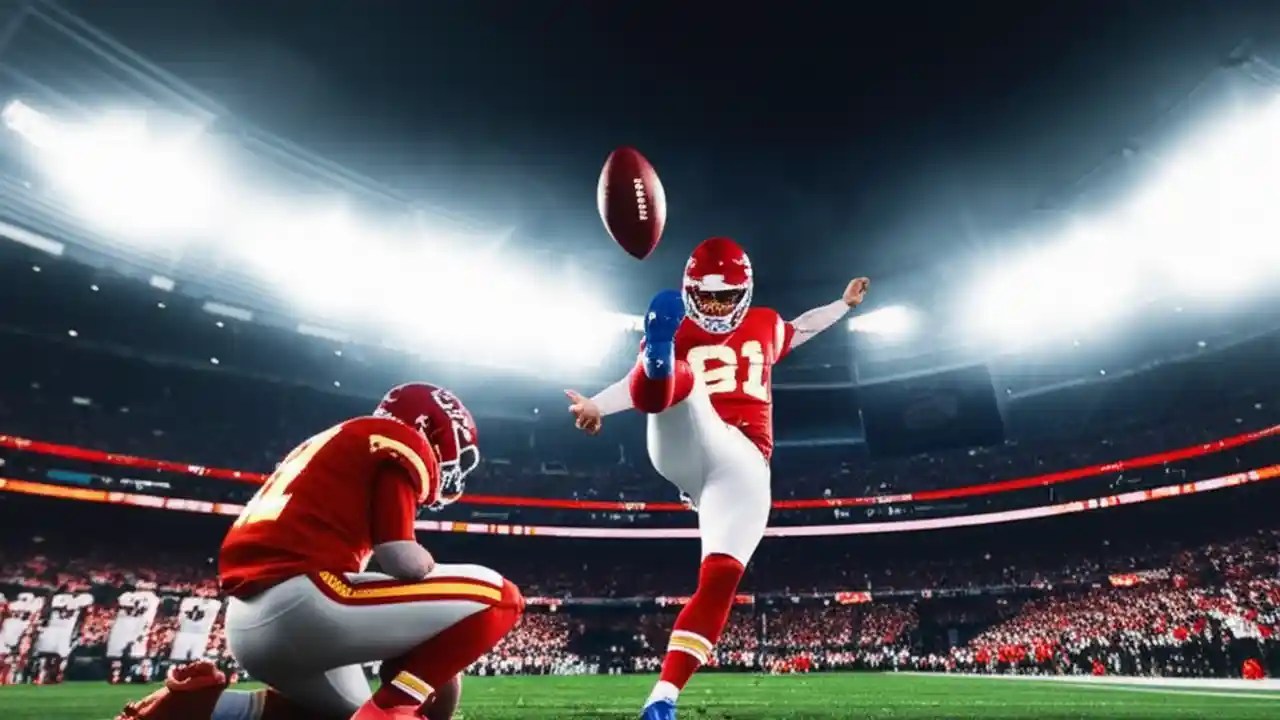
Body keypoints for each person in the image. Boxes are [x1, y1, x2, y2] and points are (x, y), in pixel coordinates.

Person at [566, 236, 868, 720]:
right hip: (712, 449)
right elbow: (801, 328)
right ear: (689, 293)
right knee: (682, 382)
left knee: (721, 579)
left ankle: (662, 699)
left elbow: (800, 329)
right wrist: (842, 306)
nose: (714, 308)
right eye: (705, 298)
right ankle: (659, 367)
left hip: (717, 461)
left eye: (724, 298)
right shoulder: (762, 323)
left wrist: (598, 405)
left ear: (743, 293)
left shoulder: (750, 325)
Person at [117, 383, 523, 720]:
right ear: (432, 426)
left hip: (245, 620)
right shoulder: (398, 440)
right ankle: (392, 711)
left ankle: (192, 707)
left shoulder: (324, 444)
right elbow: (402, 558)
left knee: (337, 712)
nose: (454, 468)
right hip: (304, 600)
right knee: (501, 597)